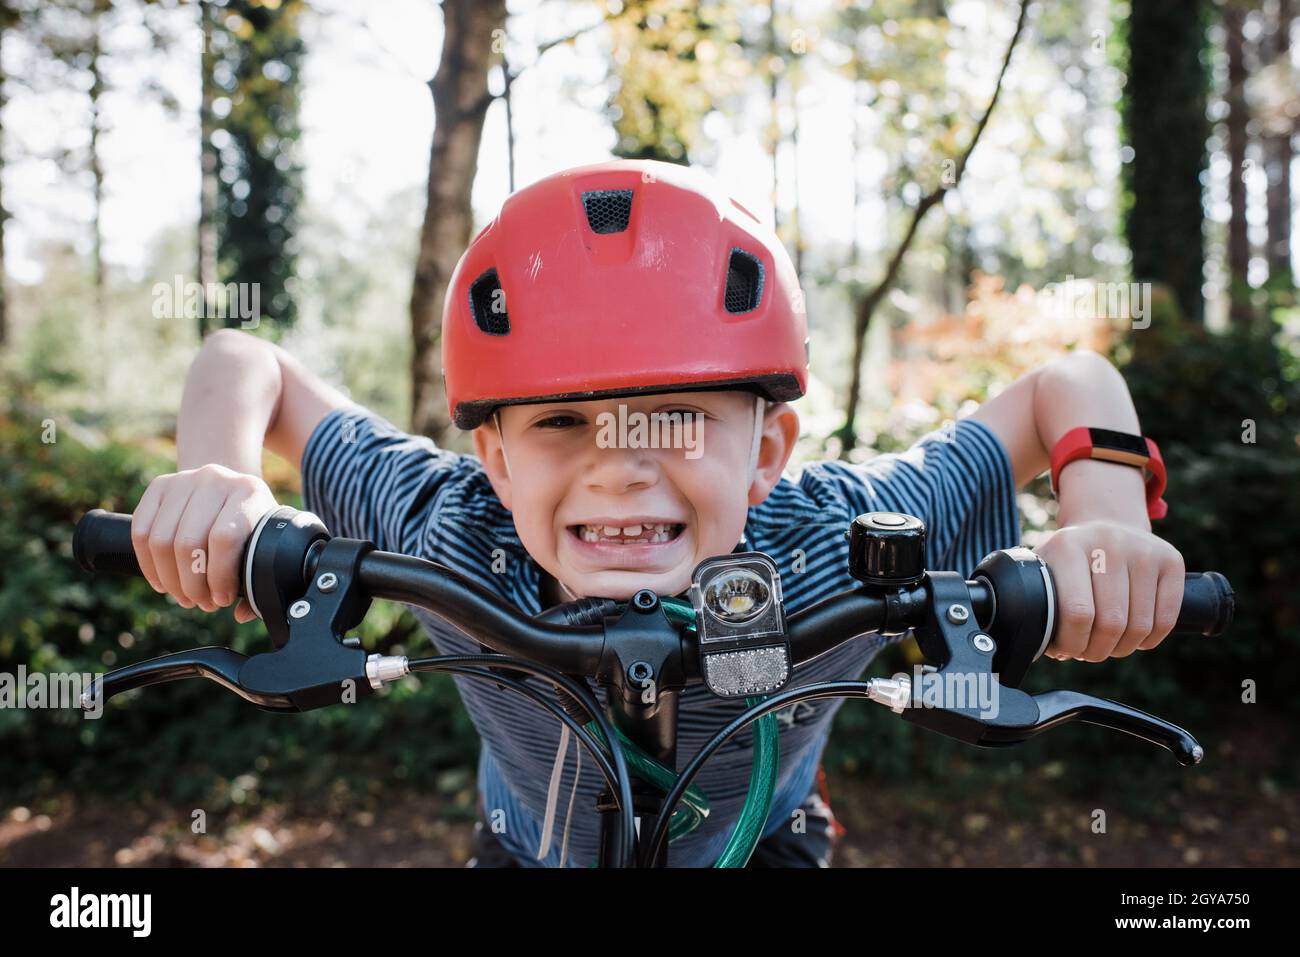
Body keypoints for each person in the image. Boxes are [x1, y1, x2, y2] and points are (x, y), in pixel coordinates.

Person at [128, 159, 1186, 868]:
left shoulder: (838, 542)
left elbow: (1067, 380)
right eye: (560, 425)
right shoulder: (448, 526)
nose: (620, 469)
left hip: (763, 849)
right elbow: (244, 359)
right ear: (490, 456)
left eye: (676, 417)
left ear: (767, 450)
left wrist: (1106, 520)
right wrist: (220, 474)